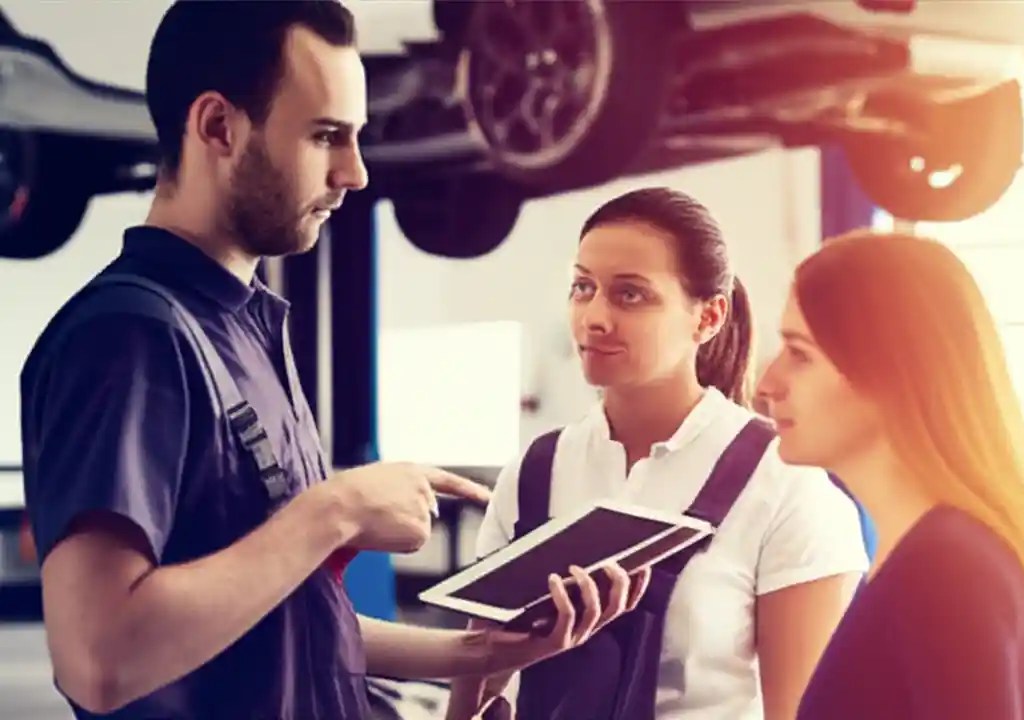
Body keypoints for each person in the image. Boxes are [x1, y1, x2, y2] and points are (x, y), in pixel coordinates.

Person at [18, 3, 638, 719]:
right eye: (325, 137)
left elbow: (288, 622)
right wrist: (335, 510)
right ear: (218, 127)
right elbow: (100, 661)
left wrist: (486, 653)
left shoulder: (246, 329)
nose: (356, 173)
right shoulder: (128, 338)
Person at [447, 188, 869, 720]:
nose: (594, 318)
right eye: (583, 287)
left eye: (630, 295)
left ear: (709, 316)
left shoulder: (785, 481)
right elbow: (474, 685)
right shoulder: (534, 472)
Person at [755, 230, 1024, 720]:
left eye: (800, 354)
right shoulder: (951, 552)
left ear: (887, 369)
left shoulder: (947, 569)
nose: (768, 383)